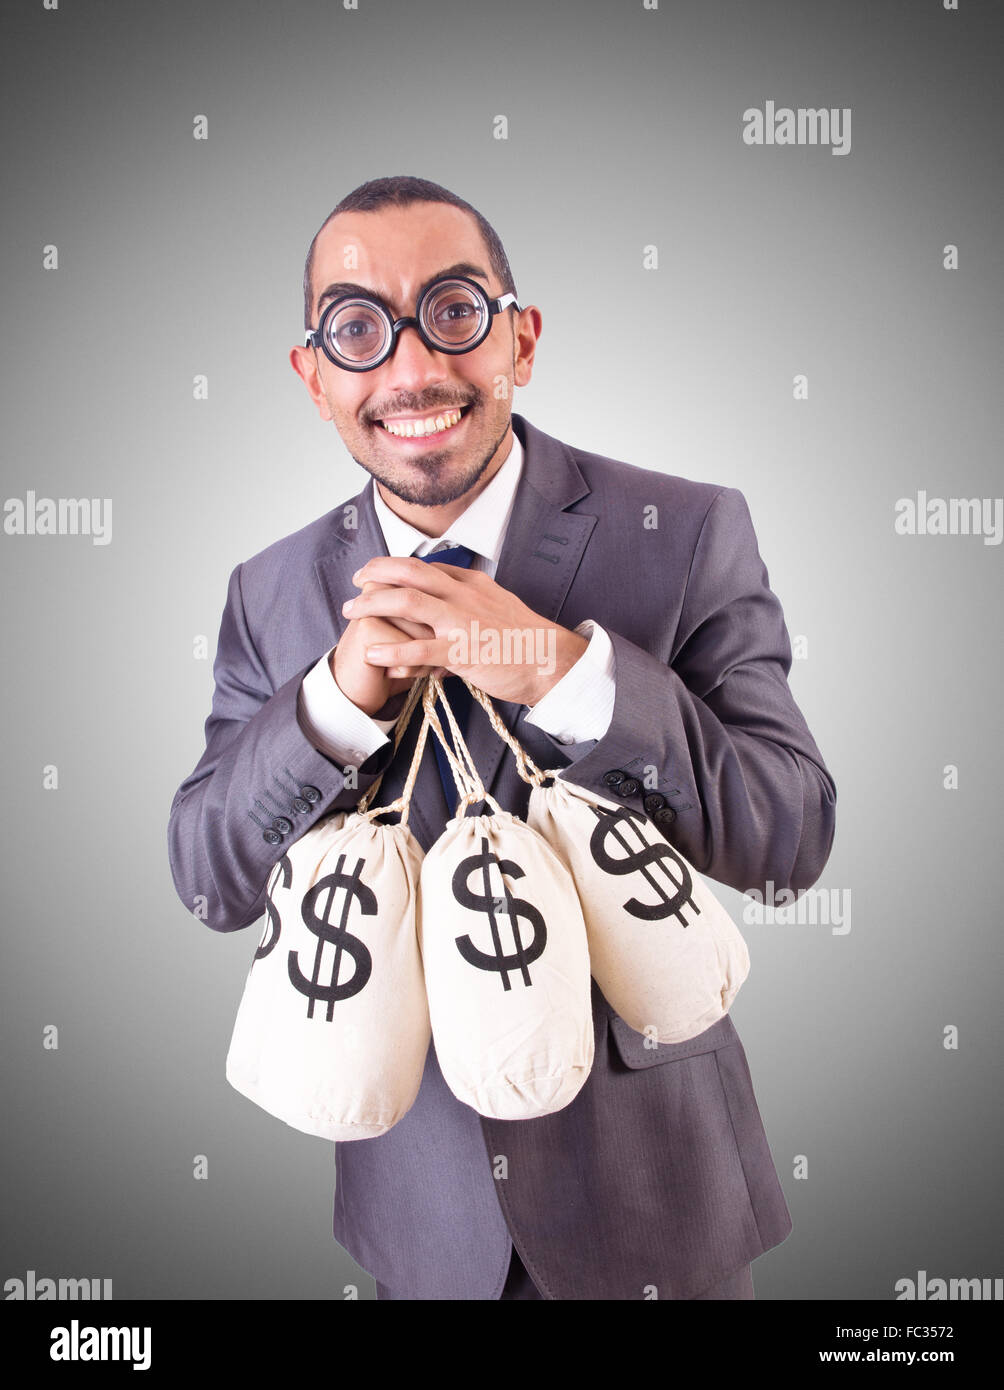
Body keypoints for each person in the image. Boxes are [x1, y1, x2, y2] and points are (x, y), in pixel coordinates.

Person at [167, 175, 837, 1301]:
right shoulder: (270, 592)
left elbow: (789, 834)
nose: (413, 368)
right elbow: (205, 877)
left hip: (658, 1205)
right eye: (358, 329)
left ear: (519, 338)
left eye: (456, 312)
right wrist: (331, 707)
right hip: (419, 1220)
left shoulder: (682, 532)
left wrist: (565, 672)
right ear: (314, 377)